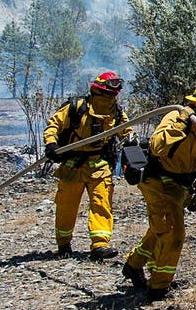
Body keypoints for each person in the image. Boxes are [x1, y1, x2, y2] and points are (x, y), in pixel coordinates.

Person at [121, 79, 196, 301]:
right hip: (158, 181)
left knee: (161, 228)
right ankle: (159, 287)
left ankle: (133, 264)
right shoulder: (176, 117)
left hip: (180, 186)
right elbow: (157, 147)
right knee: (174, 233)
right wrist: (181, 123)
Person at [43, 71, 134, 260]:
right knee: (66, 206)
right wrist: (51, 145)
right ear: (97, 90)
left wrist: (132, 141)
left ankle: (100, 245)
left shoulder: (116, 111)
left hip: (99, 165)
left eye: (113, 94)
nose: (109, 97)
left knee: (102, 203)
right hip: (73, 165)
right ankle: (64, 243)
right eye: (107, 93)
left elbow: (126, 130)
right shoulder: (77, 107)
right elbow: (53, 126)